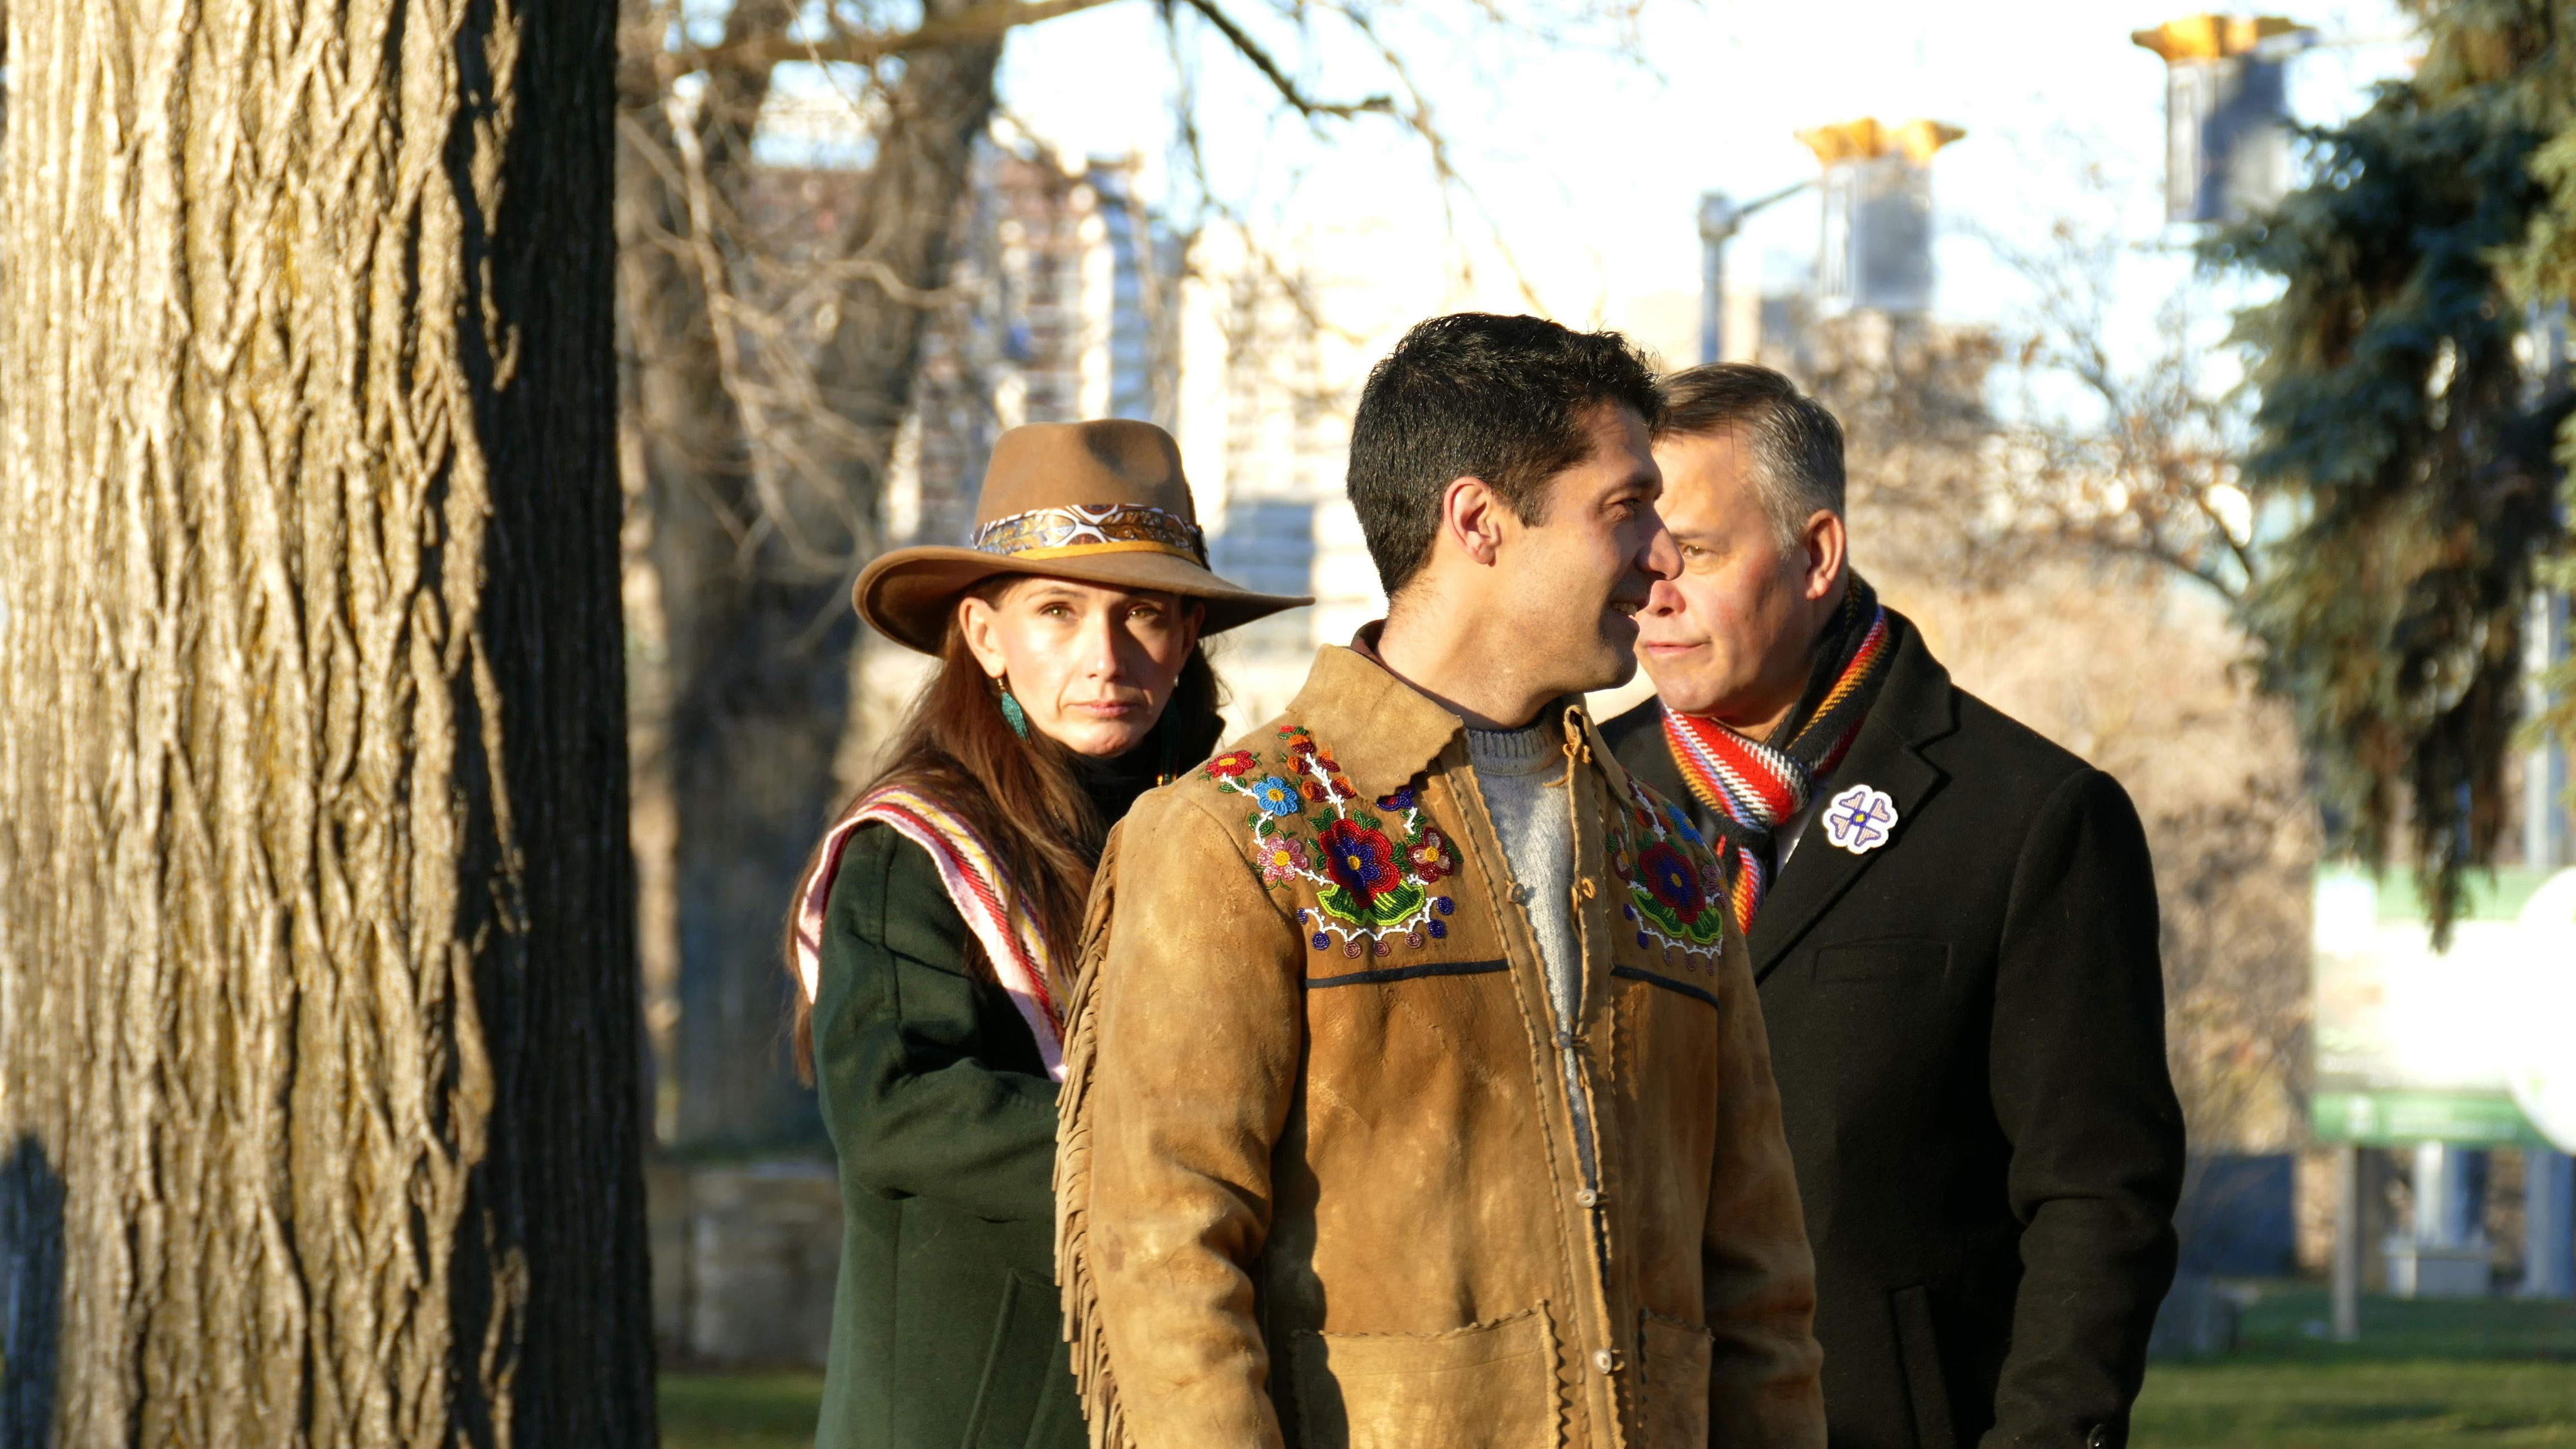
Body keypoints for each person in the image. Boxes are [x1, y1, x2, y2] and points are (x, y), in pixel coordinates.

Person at [1055, 314, 1827, 1449]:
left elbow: (1759, 1286)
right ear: (1478, 521)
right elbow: (1167, 1264)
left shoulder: (1668, 858)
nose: (1661, 553)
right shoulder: (1230, 840)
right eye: (1624, 508)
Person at [1599, 363, 2186, 1449]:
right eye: (1643, 556)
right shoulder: (1587, 794)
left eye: (1700, 553)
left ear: (1817, 554)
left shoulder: (2030, 818)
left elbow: (2098, 1199)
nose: (1657, 592)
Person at [785, 420, 1309, 1449]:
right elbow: (900, 1109)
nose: (1104, 658)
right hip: (975, 1401)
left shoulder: (1235, 828)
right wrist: (1184, 1161)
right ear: (985, 636)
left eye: (1145, 615)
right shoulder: (913, 851)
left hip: (1184, 1381)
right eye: (1058, 613)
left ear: (1189, 631)